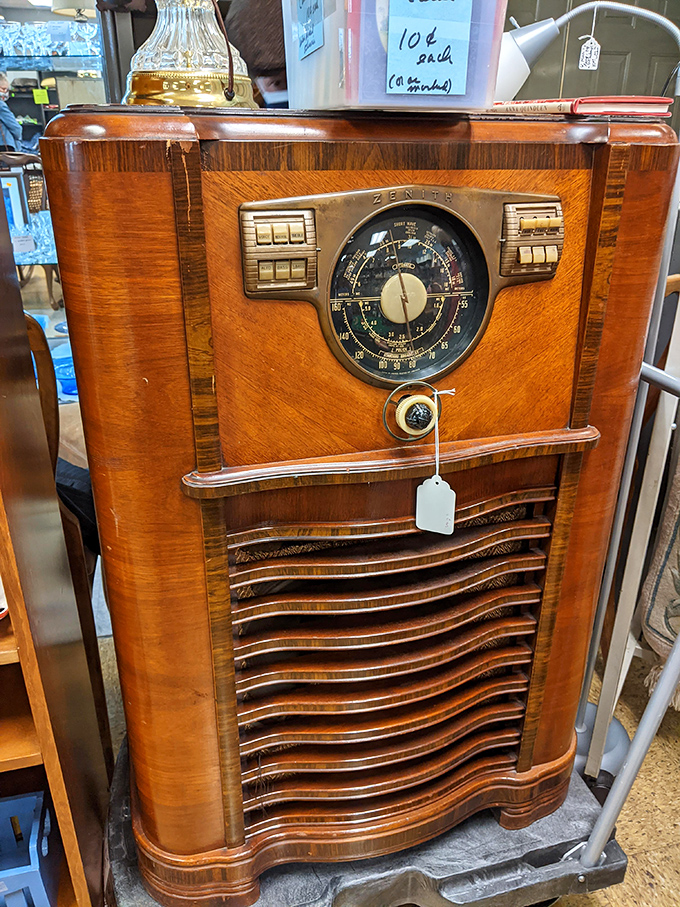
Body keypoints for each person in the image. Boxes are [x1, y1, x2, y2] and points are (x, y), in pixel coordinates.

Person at [0, 73, 23, 151]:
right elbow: (16, 128)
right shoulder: (1, 105)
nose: (5, 92)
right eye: (3, 89)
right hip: (4, 145)